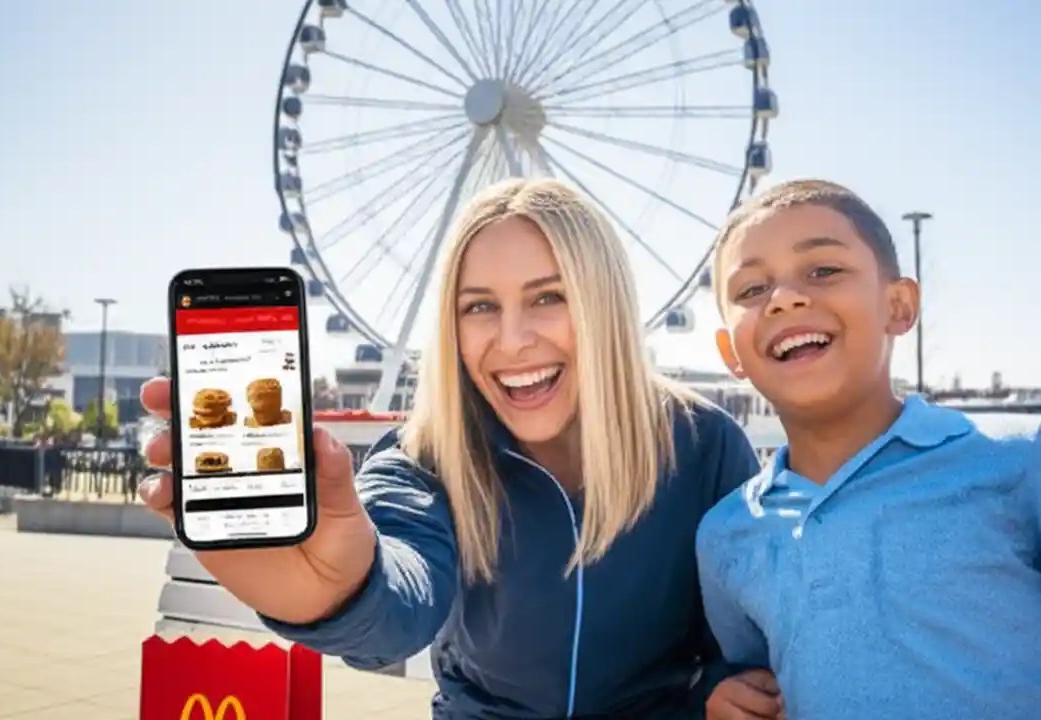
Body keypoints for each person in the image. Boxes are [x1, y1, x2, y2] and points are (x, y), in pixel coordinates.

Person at [138, 178, 788, 719]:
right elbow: (401, 599)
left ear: (605, 303)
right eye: (479, 307)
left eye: (548, 297)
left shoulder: (703, 447)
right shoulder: (424, 460)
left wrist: (715, 693)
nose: (512, 339)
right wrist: (334, 593)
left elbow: (738, 640)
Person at [694, 178, 1041, 719]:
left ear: (899, 305)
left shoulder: (1026, 461)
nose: (785, 298)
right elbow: (751, 677)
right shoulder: (726, 535)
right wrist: (727, 694)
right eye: (751, 290)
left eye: (824, 270)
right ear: (730, 353)